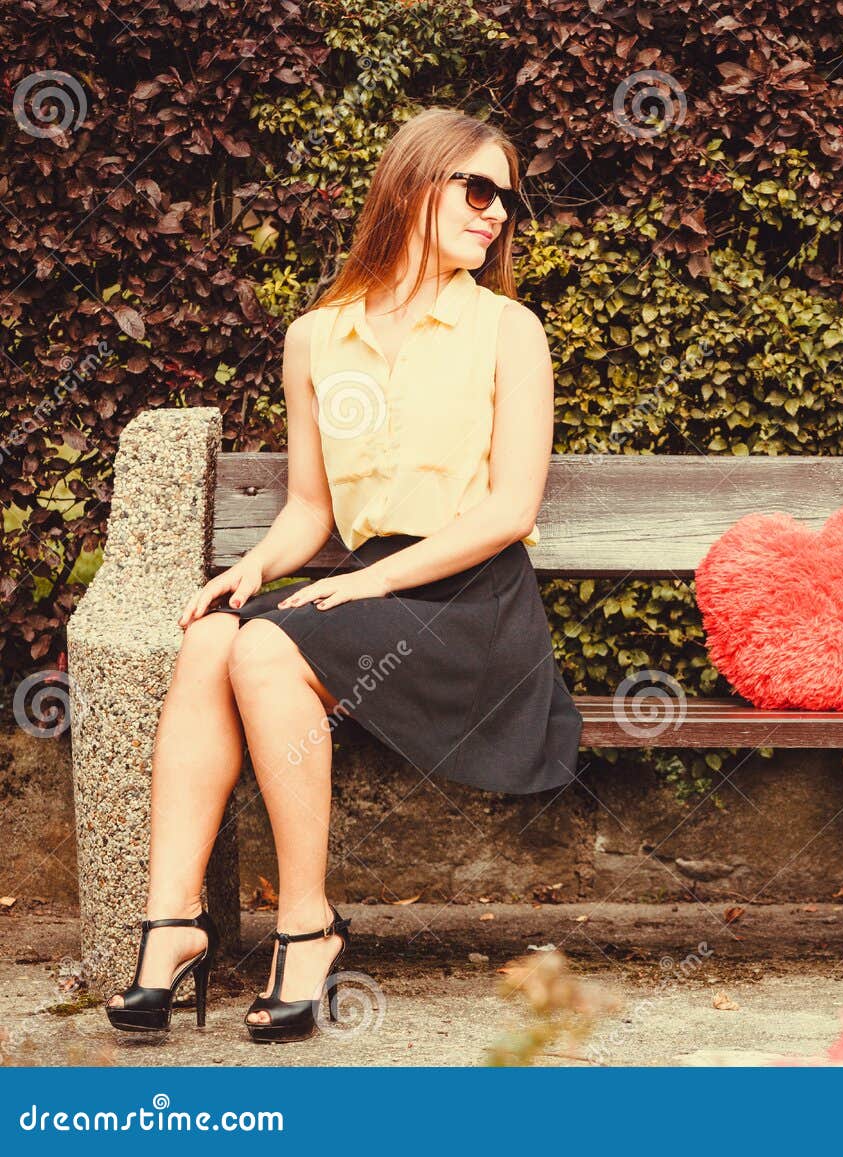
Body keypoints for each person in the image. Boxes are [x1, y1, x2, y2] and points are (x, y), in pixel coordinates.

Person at [104, 106, 582, 1043]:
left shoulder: (508, 330)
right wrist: (248, 571)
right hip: (368, 591)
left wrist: (364, 585)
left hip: (473, 604)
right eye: (478, 189)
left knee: (268, 652)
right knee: (214, 634)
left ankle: (306, 926)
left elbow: (509, 512)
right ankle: (170, 928)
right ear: (414, 186)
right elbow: (311, 512)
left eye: (507, 201)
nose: (496, 215)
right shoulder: (317, 339)